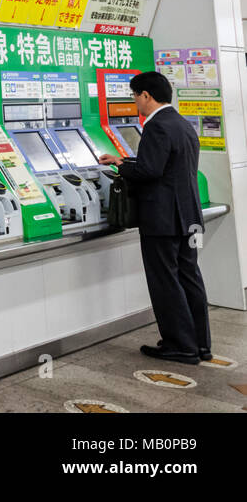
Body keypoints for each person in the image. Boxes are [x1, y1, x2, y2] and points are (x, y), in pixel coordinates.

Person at [99, 71, 211, 365]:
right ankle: (199, 344)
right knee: (189, 277)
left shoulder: (157, 126)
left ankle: (179, 346)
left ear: (146, 95)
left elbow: (150, 171)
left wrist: (121, 169)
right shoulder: (182, 124)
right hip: (187, 215)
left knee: (166, 282)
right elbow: (165, 165)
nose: (135, 102)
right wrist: (124, 160)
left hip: (163, 219)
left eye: (135, 96)